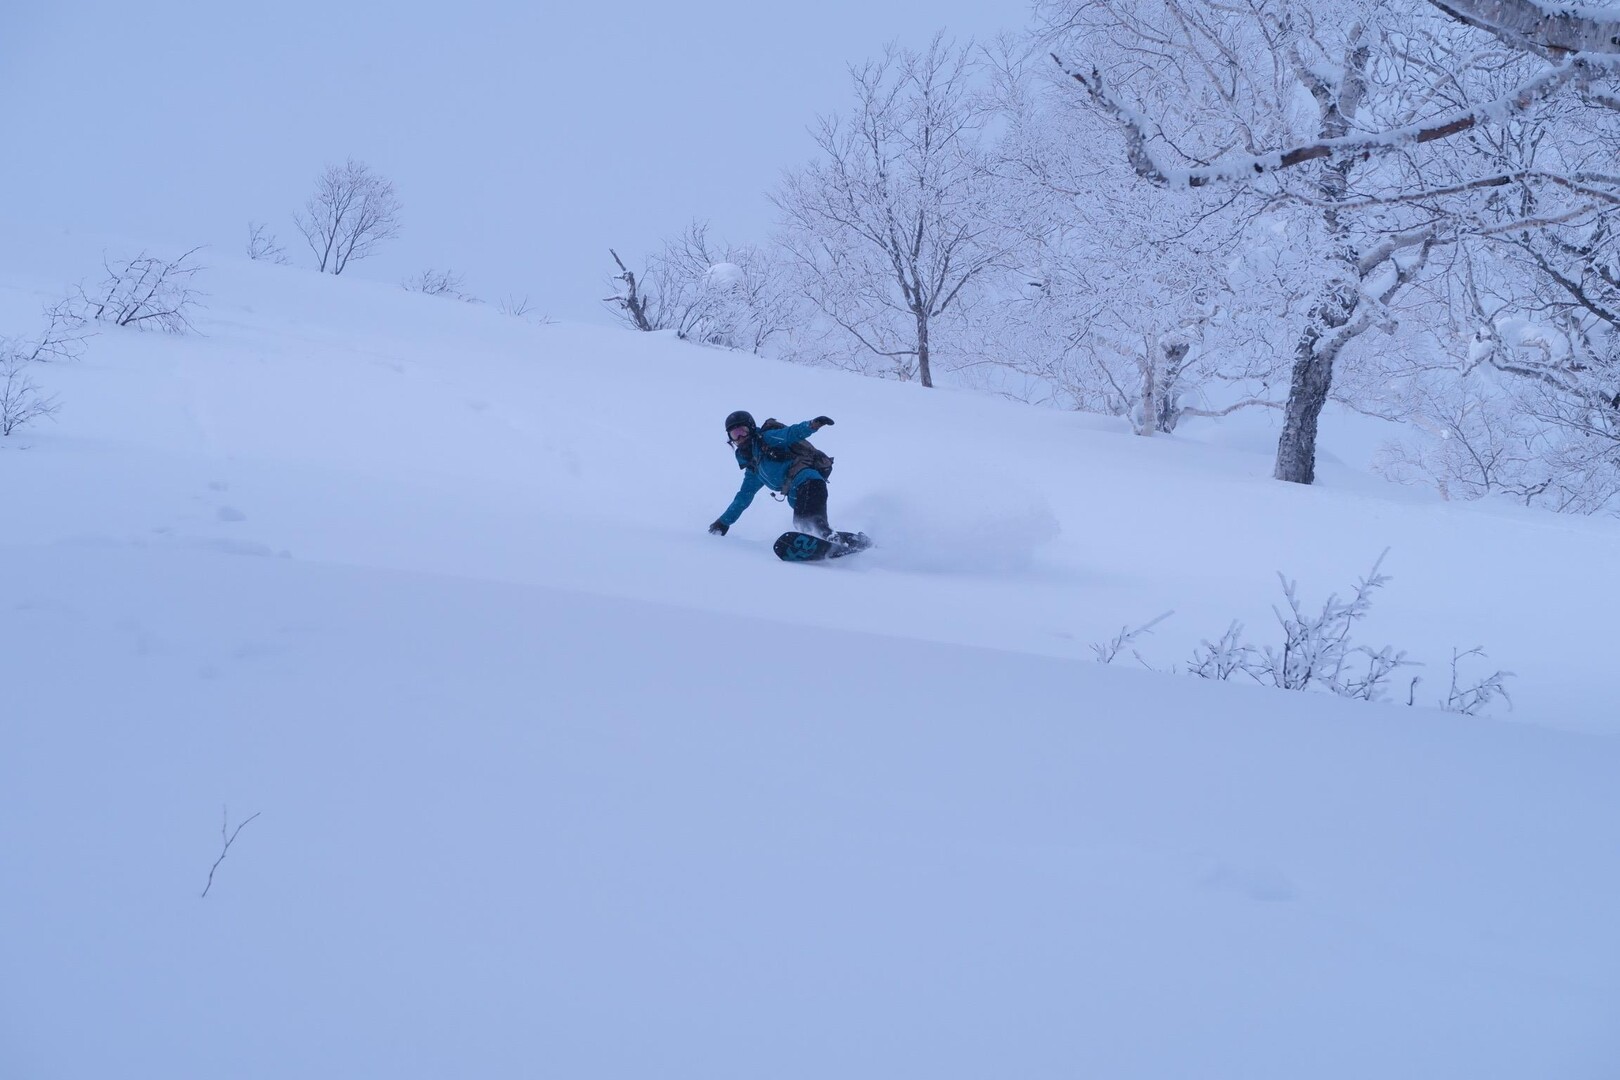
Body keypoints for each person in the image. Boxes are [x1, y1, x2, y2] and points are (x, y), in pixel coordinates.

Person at [708, 410, 852, 541]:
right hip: (796, 495)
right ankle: (843, 541)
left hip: (810, 483)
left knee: (809, 524)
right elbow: (743, 497)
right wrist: (723, 522)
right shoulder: (754, 468)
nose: (740, 438)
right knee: (806, 527)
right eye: (734, 435)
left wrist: (812, 425)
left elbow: (791, 433)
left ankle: (830, 539)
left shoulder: (767, 439)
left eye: (742, 431)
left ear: (751, 429)